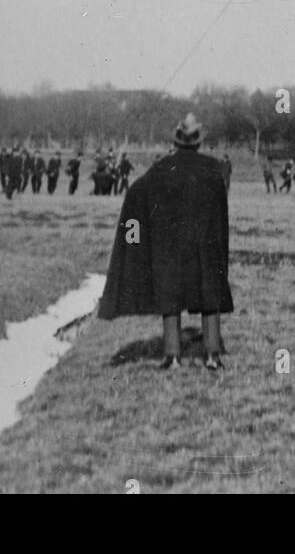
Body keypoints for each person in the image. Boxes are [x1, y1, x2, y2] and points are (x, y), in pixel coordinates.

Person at [99, 113, 233, 371]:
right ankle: (212, 355)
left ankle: (172, 357)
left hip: (170, 247)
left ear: (177, 141)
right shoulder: (213, 169)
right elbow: (220, 213)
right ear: (199, 142)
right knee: (209, 297)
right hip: (204, 246)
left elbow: (135, 195)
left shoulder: (161, 168)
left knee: (170, 297)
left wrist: (132, 236)